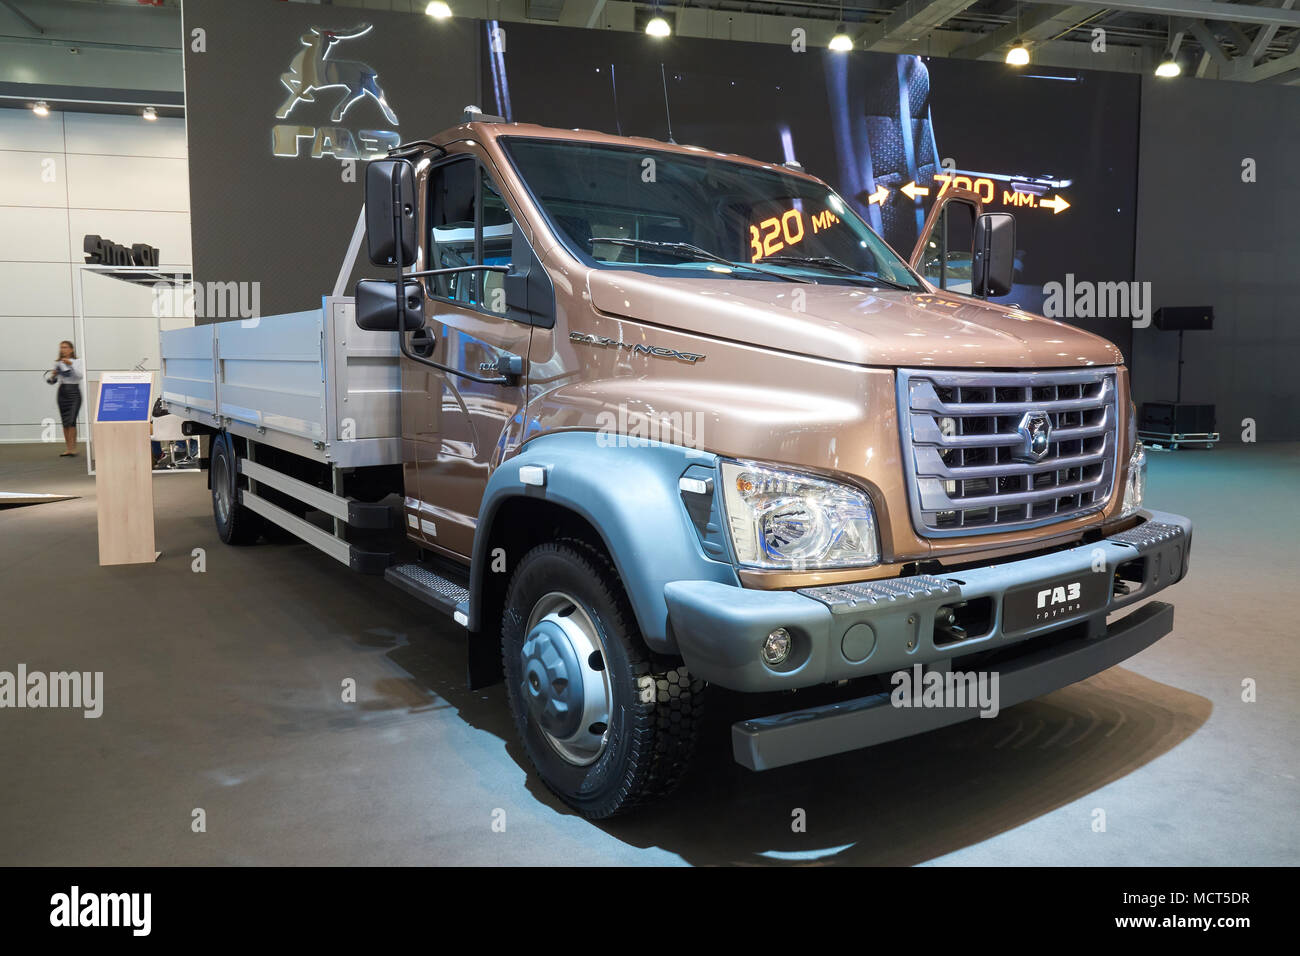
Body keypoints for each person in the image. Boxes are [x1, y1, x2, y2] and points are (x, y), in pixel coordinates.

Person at [46, 340, 83, 457]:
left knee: (72, 421)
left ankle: (74, 448)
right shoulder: (58, 363)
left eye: (66, 347)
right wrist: (53, 375)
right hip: (62, 392)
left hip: (74, 392)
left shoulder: (78, 361)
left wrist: (70, 365)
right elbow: (53, 381)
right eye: (61, 347)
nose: (63, 350)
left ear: (71, 349)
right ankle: (68, 448)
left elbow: (80, 376)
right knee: (65, 422)